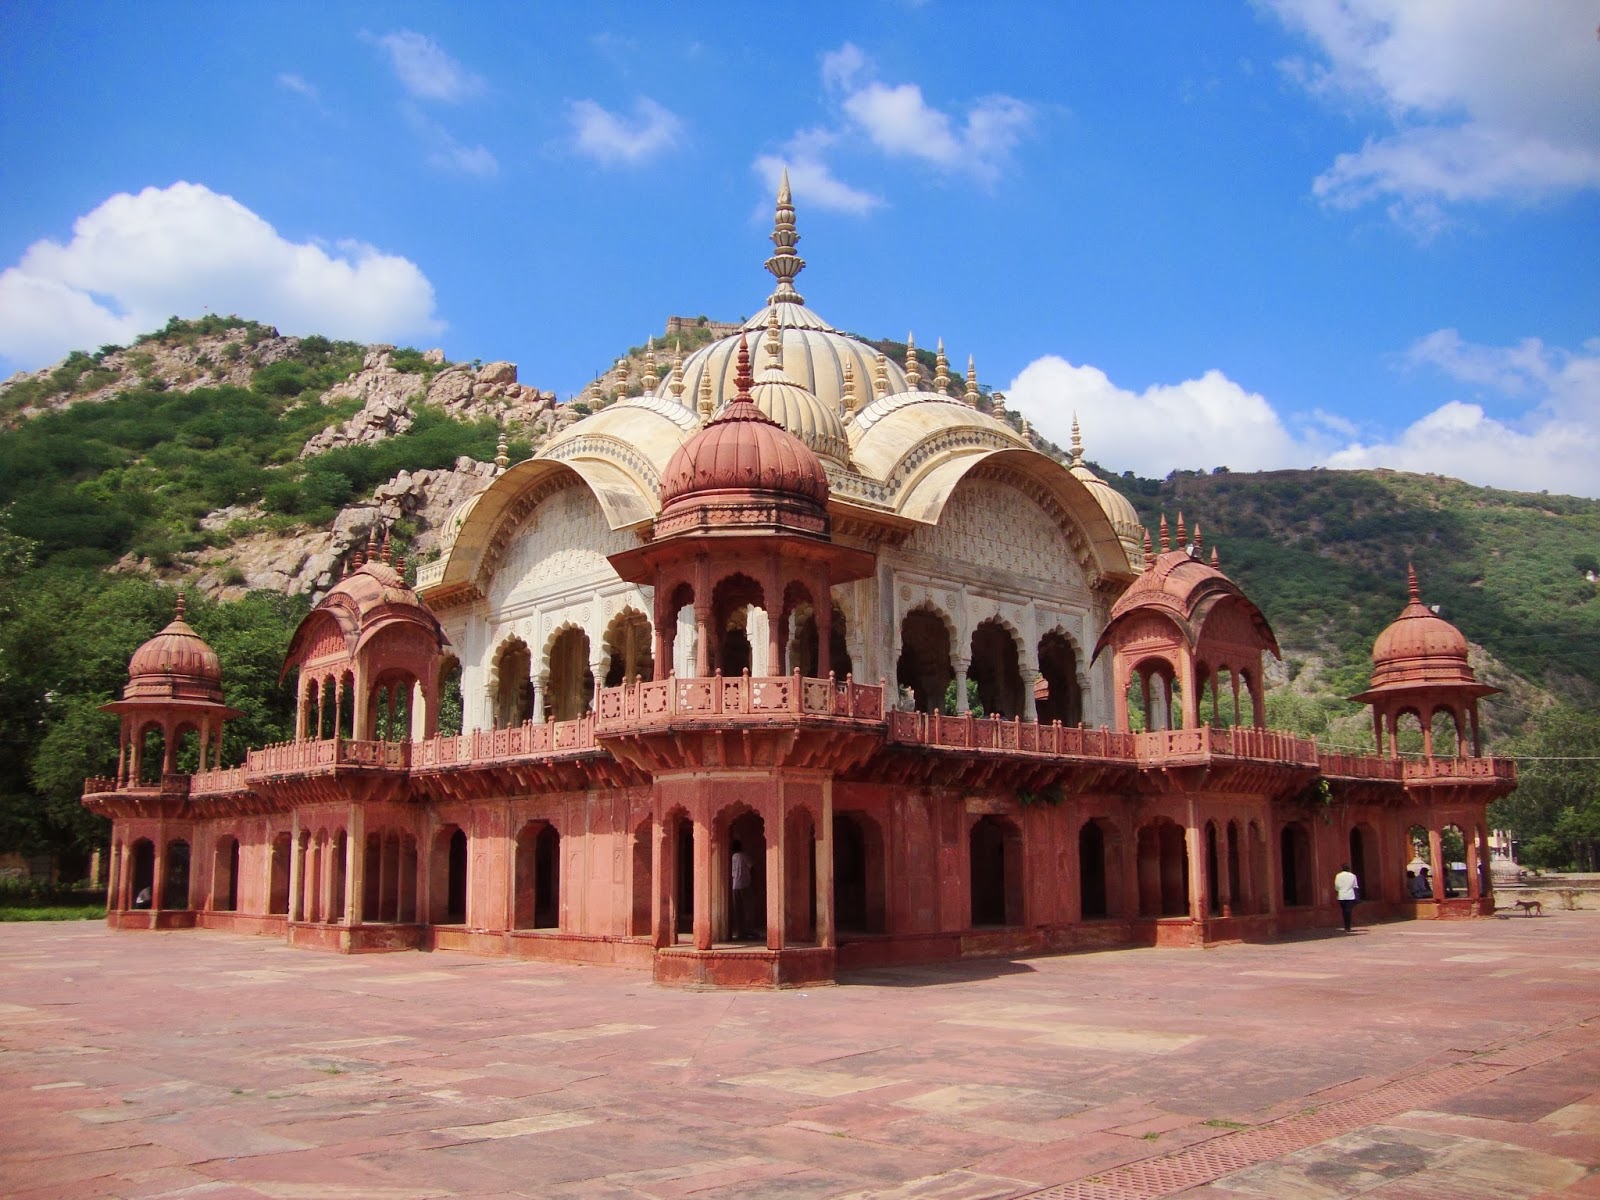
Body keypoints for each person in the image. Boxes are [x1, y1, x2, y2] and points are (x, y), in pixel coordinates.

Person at [729, 839, 754, 941]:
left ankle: (741, 932)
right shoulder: (743, 856)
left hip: (735, 886)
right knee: (747, 909)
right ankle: (748, 930)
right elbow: (752, 867)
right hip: (744, 885)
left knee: (738, 910)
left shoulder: (731, 857)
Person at [1334, 863, 1359, 932]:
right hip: (1350, 895)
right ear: (1349, 868)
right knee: (1348, 911)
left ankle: (1346, 925)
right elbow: (1355, 886)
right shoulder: (1353, 876)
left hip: (1341, 896)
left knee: (1344, 911)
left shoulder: (1338, 876)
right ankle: (1348, 926)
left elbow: (1336, 887)